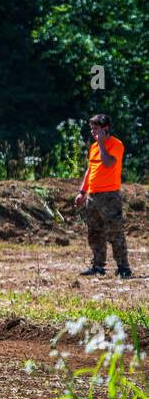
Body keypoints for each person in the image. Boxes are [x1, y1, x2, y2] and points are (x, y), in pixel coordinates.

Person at [75, 114, 131, 279]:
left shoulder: (116, 145)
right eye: (92, 128)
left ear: (105, 129)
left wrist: (101, 143)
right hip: (93, 195)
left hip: (110, 196)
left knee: (115, 232)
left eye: (96, 128)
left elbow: (108, 163)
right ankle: (98, 266)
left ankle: (123, 267)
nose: (93, 132)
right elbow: (90, 170)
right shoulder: (93, 147)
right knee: (95, 232)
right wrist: (82, 192)